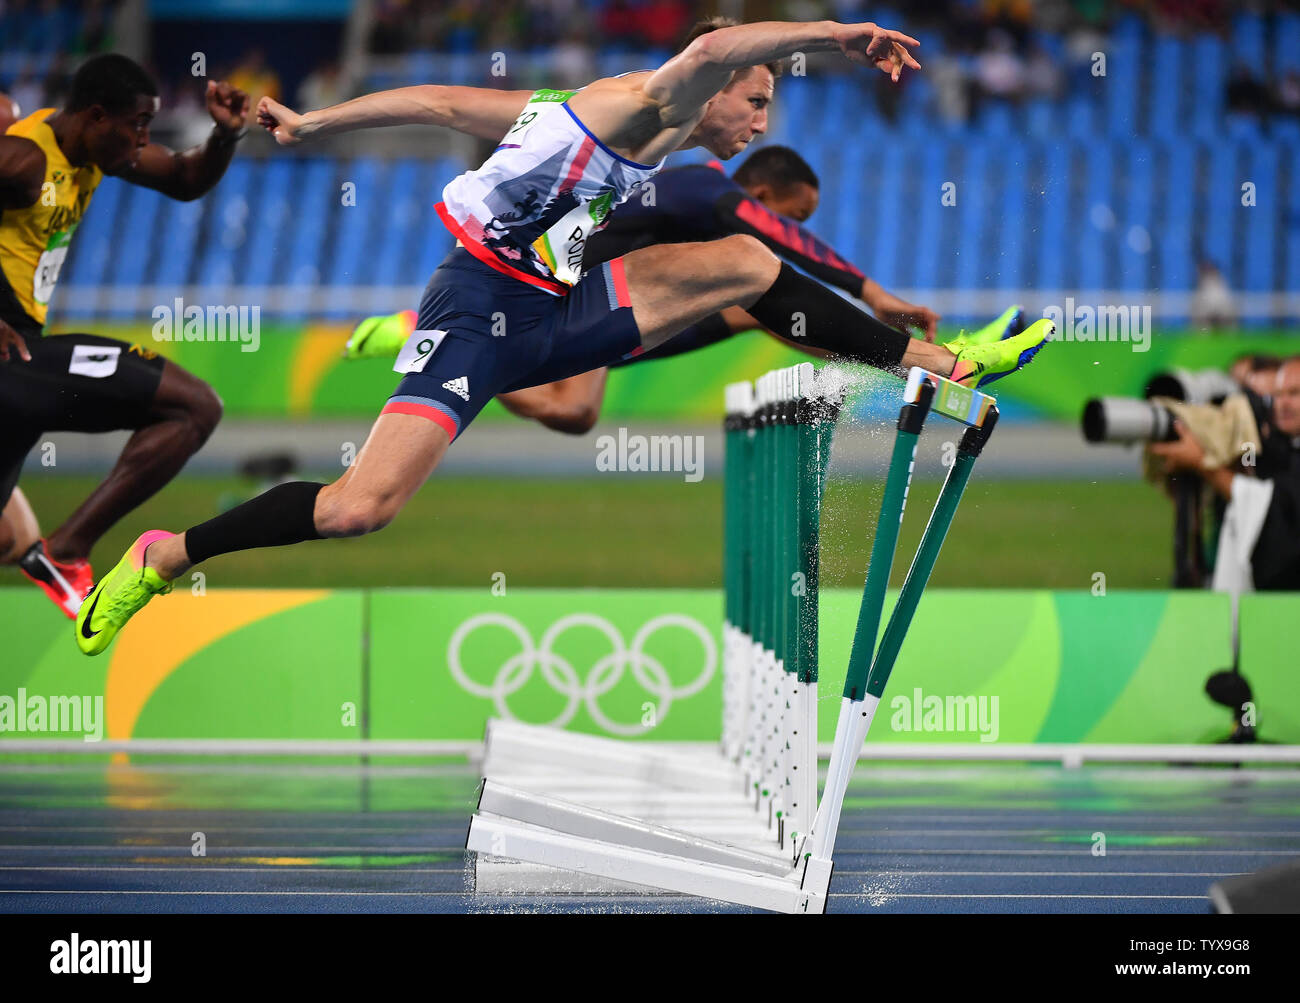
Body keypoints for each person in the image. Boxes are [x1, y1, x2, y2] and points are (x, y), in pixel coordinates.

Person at [76, 16, 1052, 655]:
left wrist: (312, 122)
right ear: (705, 88)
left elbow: (445, 104)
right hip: (476, 309)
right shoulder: (646, 100)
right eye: (753, 100)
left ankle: (941, 363)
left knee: (747, 275)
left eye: (768, 105)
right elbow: (718, 45)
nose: (758, 120)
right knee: (357, 509)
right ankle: (169, 554)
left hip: (555, 311)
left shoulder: (612, 126)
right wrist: (839, 33)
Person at [346, 144, 1024, 435]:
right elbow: (782, 248)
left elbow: (791, 307)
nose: (795, 230)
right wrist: (872, 291)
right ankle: (935, 362)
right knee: (761, 283)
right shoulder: (705, 187)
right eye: (794, 215)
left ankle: (922, 365)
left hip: (605, 302)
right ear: (759, 194)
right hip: (555, 295)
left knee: (581, 414)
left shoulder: (710, 216)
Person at [0, 56, 246, 617]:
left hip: (19, 359)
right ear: (95, 115)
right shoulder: (23, 163)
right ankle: (64, 554)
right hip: (11, 358)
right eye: (137, 124)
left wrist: (225, 136)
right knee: (193, 407)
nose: (142, 139)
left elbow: (185, 180)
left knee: (7, 540)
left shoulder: (91, 154)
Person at [1151, 356, 1300, 591]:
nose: (1282, 404)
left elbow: (1275, 512)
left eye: (1294, 393)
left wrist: (1202, 463)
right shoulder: (1272, 450)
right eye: (1278, 395)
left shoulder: (1283, 456)